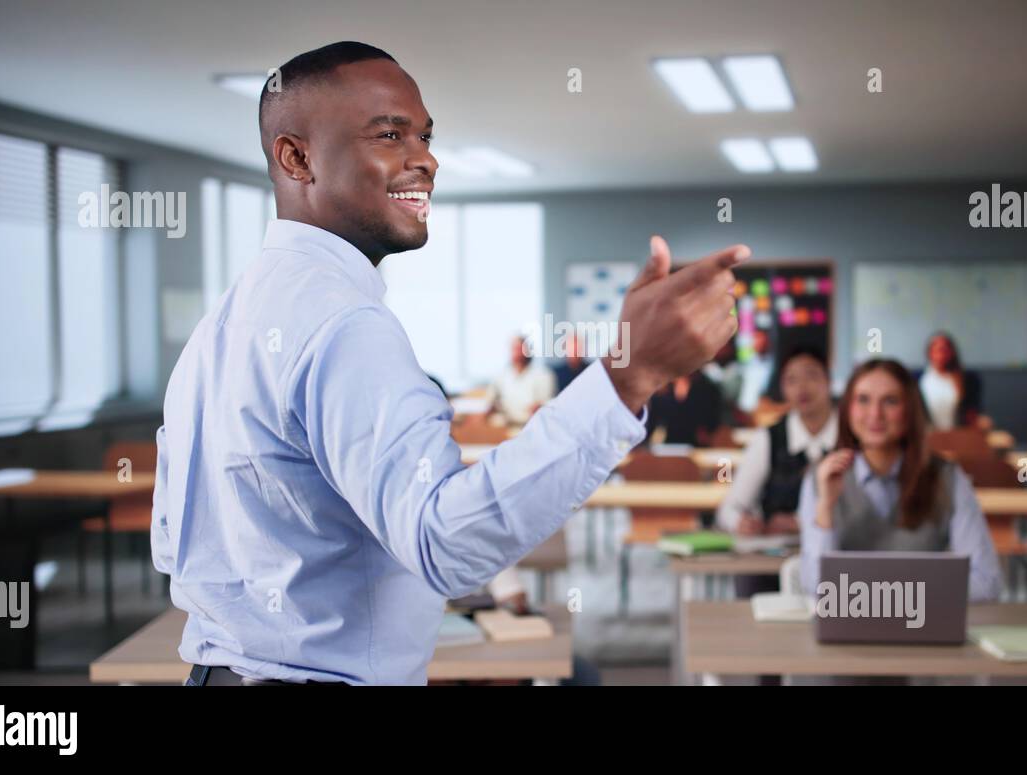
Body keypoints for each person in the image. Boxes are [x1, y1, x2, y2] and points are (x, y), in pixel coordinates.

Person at [151, 41, 749, 685]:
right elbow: (444, 544)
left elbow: (179, 544)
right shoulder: (343, 324)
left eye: (426, 136)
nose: (426, 159)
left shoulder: (222, 324)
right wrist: (629, 378)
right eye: (389, 134)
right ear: (296, 157)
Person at [797, 359, 1002, 602]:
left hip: (924, 628)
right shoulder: (821, 477)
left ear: (910, 411)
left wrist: (883, 598)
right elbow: (815, 585)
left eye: (890, 401)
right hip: (849, 630)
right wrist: (826, 507)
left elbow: (987, 582)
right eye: (863, 400)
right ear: (848, 409)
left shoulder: (947, 477)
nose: (875, 414)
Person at [717, 345, 837, 597]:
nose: (802, 387)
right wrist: (741, 522)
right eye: (791, 380)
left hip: (837, 560)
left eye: (811, 375)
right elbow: (729, 508)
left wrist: (800, 523)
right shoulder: (769, 438)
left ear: (829, 380)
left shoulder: (850, 436)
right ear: (783, 389)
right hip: (774, 561)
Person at [914, 331, 982, 430]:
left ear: (952, 352)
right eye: (937, 350)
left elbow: (971, 413)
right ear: (929, 352)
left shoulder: (966, 380)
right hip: (930, 437)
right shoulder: (919, 380)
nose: (941, 354)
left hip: (958, 436)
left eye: (944, 350)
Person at [487, 335, 556, 425]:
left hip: (533, 424)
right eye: (514, 349)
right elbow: (490, 399)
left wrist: (540, 406)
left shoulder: (543, 375)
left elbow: (549, 403)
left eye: (520, 349)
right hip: (507, 424)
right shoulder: (502, 376)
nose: (517, 353)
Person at [646, 371, 722, 446]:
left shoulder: (706, 388)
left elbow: (712, 417)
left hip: (695, 443)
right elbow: (655, 418)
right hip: (667, 442)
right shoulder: (664, 388)